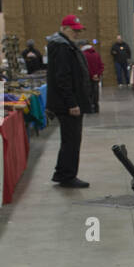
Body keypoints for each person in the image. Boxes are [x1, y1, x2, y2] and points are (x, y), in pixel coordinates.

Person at [46, 15, 91, 188]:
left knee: (70, 140)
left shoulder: (66, 46)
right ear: (64, 29)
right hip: (68, 105)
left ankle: (64, 173)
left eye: (78, 30)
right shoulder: (62, 47)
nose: (77, 34)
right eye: (74, 30)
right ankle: (67, 175)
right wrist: (72, 103)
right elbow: (63, 78)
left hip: (70, 102)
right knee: (71, 140)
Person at [81, 40, 104, 113]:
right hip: (96, 77)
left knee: (88, 93)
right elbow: (101, 65)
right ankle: (96, 108)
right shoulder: (96, 54)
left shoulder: (83, 54)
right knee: (95, 93)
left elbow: (85, 67)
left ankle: (89, 108)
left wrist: (91, 75)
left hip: (87, 78)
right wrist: (97, 74)